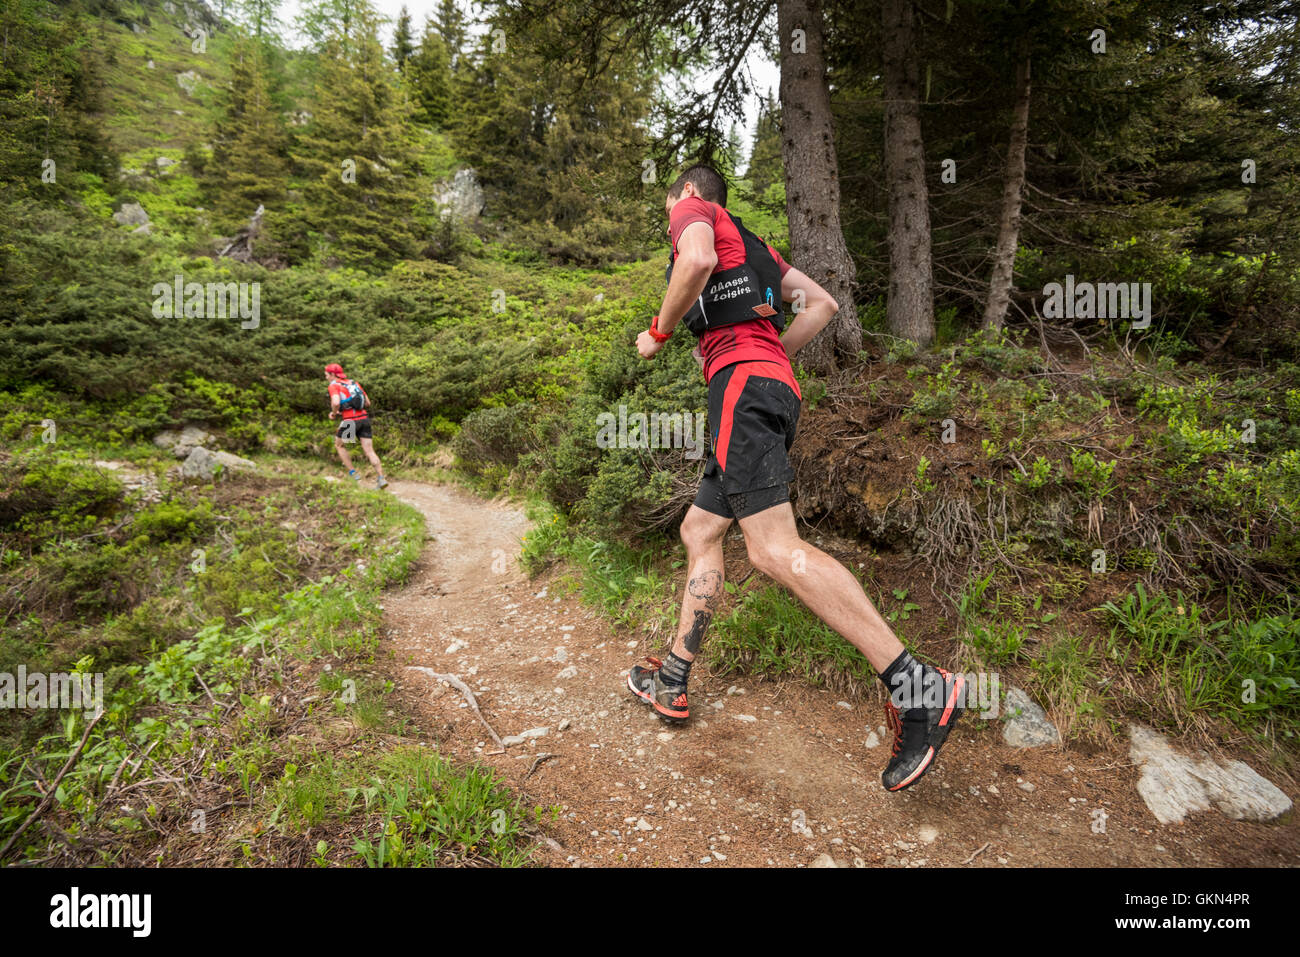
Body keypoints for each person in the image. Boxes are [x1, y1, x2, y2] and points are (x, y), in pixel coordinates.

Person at [626, 165, 964, 792]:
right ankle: (673, 674)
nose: (671, 214)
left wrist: (657, 334)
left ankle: (919, 687)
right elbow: (823, 305)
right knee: (701, 528)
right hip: (771, 389)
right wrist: (774, 355)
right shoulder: (757, 247)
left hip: (740, 390)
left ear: (689, 194)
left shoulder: (693, 213)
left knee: (774, 551)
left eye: (672, 201)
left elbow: (695, 261)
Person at [324, 363, 388, 490]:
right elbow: (367, 403)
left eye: (326, 375)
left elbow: (336, 402)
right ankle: (381, 478)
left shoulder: (333, 386)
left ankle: (354, 475)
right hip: (364, 419)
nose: (326, 377)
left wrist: (334, 413)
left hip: (350, 421)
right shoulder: (354, 383)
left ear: (332, 375)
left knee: (339, 445)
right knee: (370, 451)